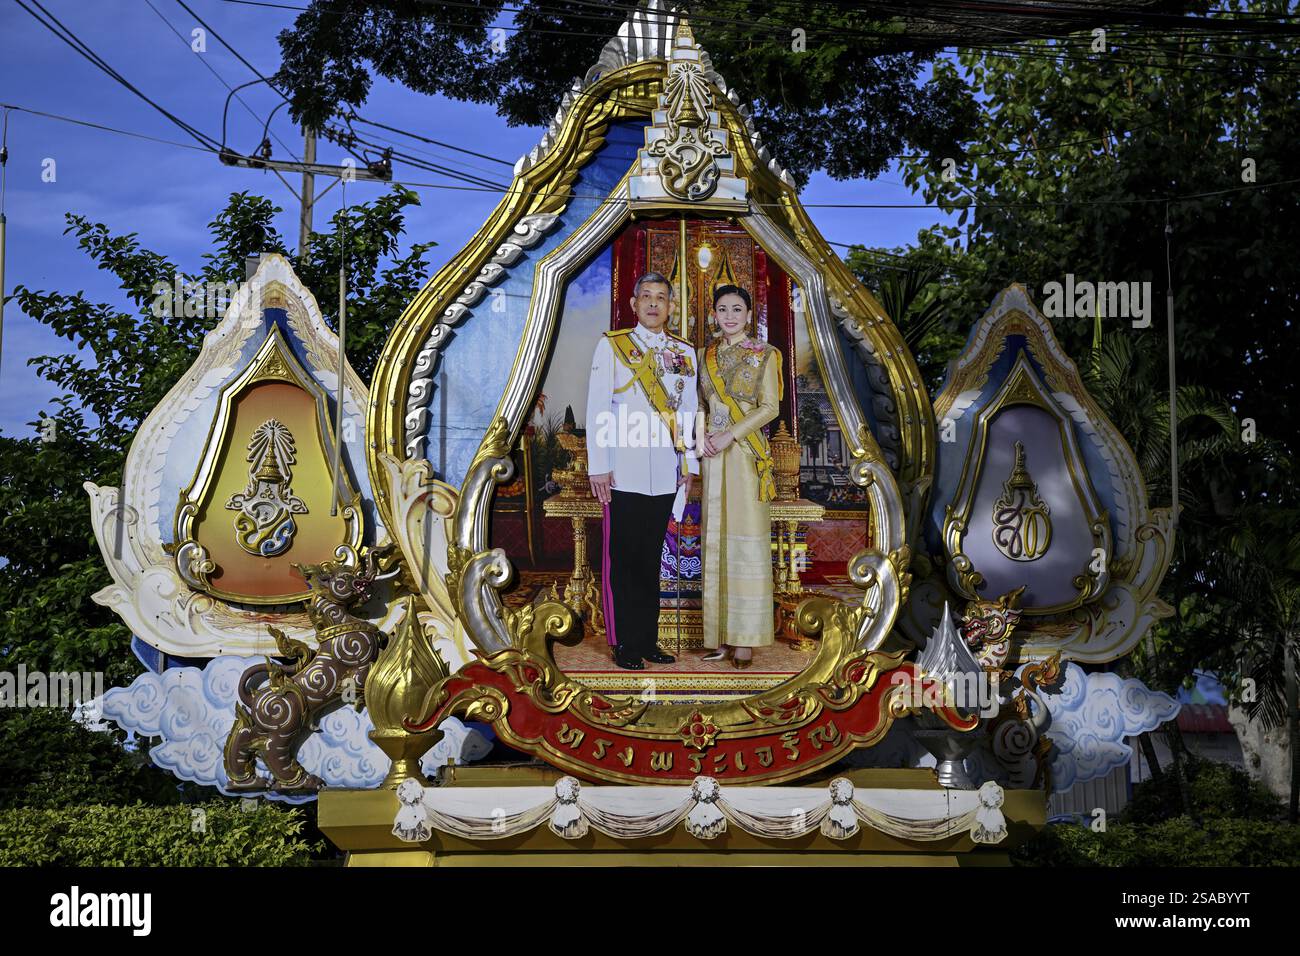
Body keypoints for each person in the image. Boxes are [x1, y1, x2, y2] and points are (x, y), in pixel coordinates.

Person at [586, 272, 699, 671]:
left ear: (671, 306)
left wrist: (690, 464)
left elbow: (687, 414)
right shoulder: (613, 347)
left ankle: (647, 640)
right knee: (623, 559)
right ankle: (624, 643)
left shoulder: (685, 353)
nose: (654, 304)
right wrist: (599, 466)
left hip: (665, 473)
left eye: (662, 298)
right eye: (646, 297)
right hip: (622, 472)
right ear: (633, 304)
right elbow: (598, 408)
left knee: (651, 560)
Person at [697, 285, 781, 668]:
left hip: (745, 455)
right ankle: (717, 635)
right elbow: (697, 406)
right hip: (711, 456)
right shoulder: (704, 355)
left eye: (737, 309)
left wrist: (730, 433)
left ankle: (745, 638)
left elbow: (770, 408)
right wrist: (701, 440)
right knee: (715, 542)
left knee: (745, 542)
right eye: (722, 309)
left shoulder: (765, 354)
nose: (729, 316)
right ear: (715, 314)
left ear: (750, 314)